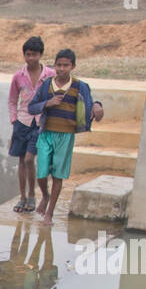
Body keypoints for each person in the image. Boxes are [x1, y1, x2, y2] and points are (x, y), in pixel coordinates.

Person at [27, 49, 106, 224]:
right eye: (59, 65)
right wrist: (47, 103)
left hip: (66, 136)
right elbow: (31, 107)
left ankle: (50, 213)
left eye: (66, 65)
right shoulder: (47, 85)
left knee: (57, 175)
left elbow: (91, 104)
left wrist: (98, 106)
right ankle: (45, 196)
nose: (61, 69)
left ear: (73, 66)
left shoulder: (80, 86)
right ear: (54, 65)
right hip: (46, 133)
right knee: (41, 173)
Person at [8, 36, 55, 215]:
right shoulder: (18, 76)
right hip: (22, 121)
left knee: (29, 159)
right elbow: (12, 100)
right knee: (21, 160)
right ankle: (22, 196)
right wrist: (14, 120)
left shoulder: (49, 75)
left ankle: (32, 194)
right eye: (27, 55)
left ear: (40, 55)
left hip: (40, 122)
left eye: (34, 55)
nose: (30, 59)